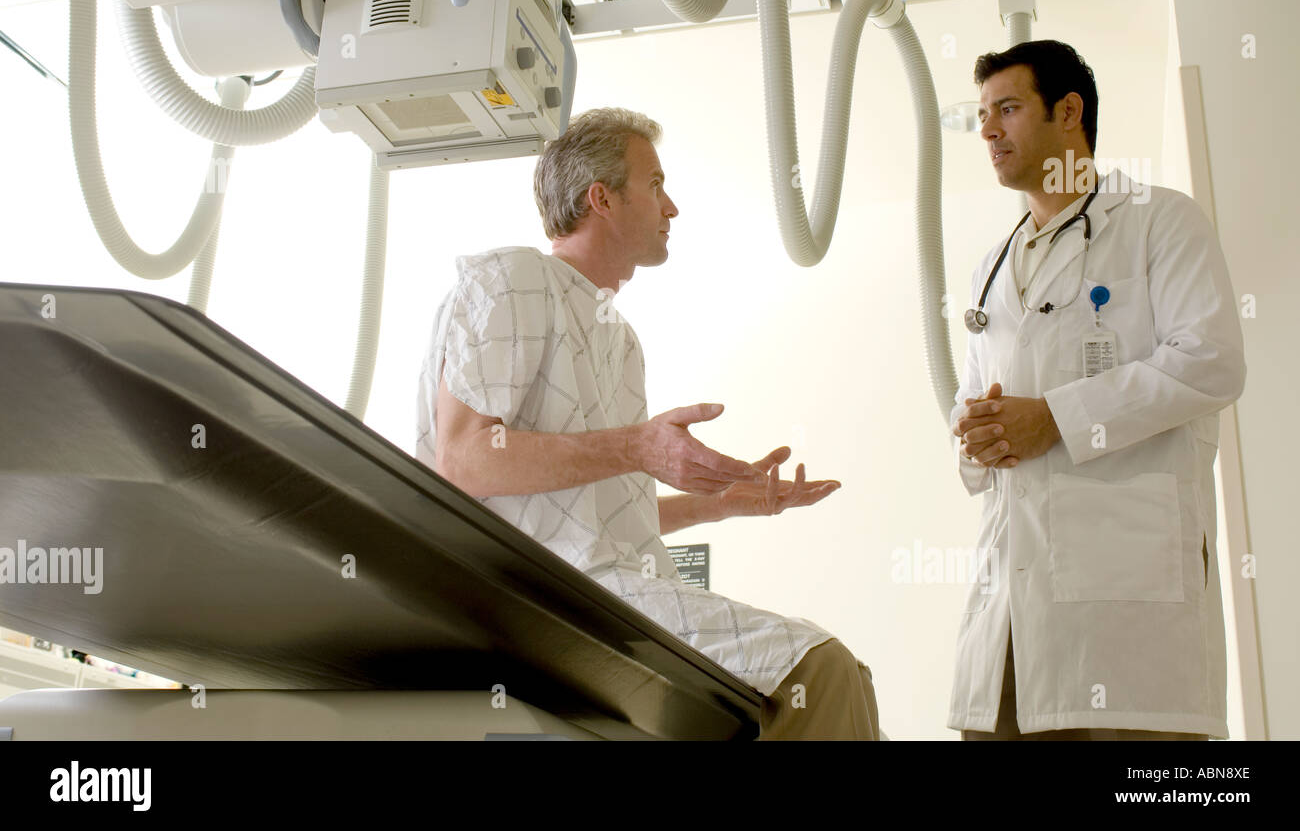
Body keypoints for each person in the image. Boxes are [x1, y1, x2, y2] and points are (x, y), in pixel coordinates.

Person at [416, 107, 879, 740]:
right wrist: (638, 445)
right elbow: (463, 461)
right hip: (540, 600)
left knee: (848, 673)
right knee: (817, 670)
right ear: (600, 198)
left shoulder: (619, 341)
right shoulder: (515, 280)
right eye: (656, 184)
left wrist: (721, 505)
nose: (672, 207)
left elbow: (595, 517)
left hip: (608, 590)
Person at [948, 40, 1246, 740]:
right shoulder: (990, 270)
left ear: (1069, 112)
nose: (987, 129)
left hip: (1128, 614)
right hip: (1012, 612)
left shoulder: (1159, 221)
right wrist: (976, 439)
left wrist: (1055, 417)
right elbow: (969, 410)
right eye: (983, 114)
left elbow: (1211, 361)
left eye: (1009, 108)